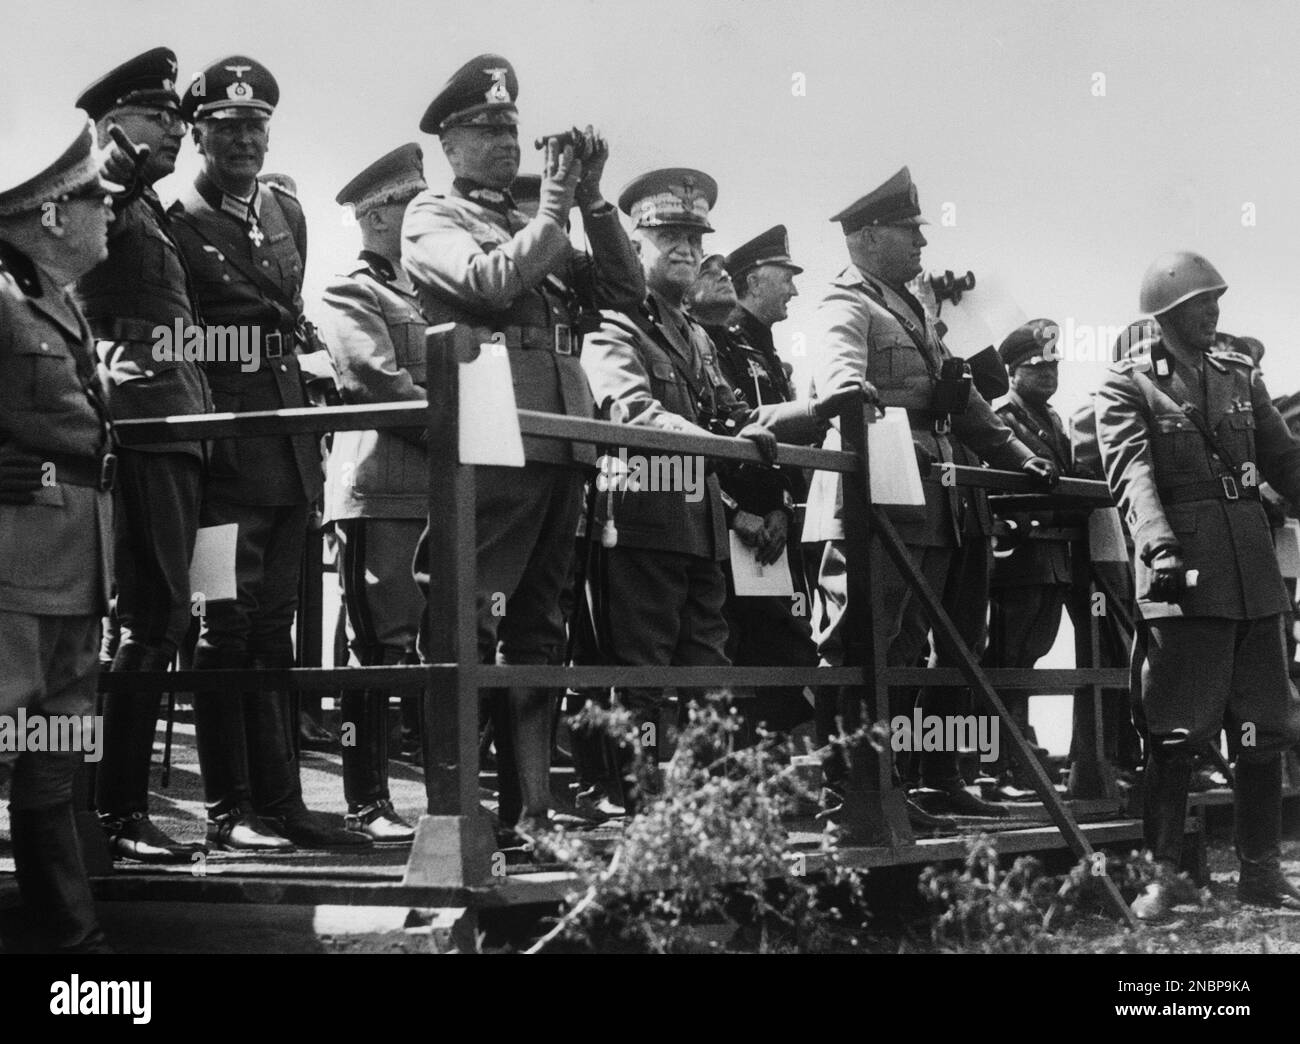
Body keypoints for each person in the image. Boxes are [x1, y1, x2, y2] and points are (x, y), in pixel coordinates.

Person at [403, 54, 643, 836]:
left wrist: (596, 201)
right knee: (469, 622)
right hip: (494, 438)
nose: (506, 142)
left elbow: (622, 293)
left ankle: (531, 815)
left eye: (511, 128)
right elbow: (489, 284)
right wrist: (556, 207)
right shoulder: (432, 216)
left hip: (559, 441)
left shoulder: (534, 218)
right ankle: (456, 819)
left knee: (540, 633)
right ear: (449, 142)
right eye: (486, 129)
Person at [803, 166, 1057, 821]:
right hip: (875, 498)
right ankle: (853, 785)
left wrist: (1022, 457)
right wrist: (855, 393)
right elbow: (839, 377)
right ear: (865, 237)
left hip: (928, 499)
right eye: (907, 231)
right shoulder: (846, 303)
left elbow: (969, 397)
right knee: (865, 640)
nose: (921, 244)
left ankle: (921, 779)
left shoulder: (917, 309)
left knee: (922, 644)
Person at [171, 55, 368, 851]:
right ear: (198, 136)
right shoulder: (174, 222)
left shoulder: (286, 210)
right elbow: (174, 339)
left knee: (274, 628)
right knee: (223, 628)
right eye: (227, 128)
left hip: (287, 452)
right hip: (221, 456)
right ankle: (230, 810)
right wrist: (260, 342)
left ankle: (282, 803)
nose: (245, 140)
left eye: (256, 126)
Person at [1096, 251, 1300, 918]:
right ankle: (1166, 880)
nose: (1213, 313)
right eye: (1199, 305)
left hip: (1254, 577)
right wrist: (1157, 548)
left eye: (1217, 301)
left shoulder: (1240, 372)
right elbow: (1132, 476)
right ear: (1167, 317)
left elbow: (1282, 457)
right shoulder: (1127, 386)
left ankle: (1261, 873)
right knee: (1177, 734)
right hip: (1185, 578)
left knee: (1262, 730)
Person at [72, 46, 211, 863]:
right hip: (140, 420)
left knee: (158, 618)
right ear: (111, 120)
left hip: (177, 421)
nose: (175, 130)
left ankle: (112, 807)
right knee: (144, 617)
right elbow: (64, 253)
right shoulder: (107, 189)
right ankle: (113, 809)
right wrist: (114, 170)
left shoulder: (151, 208)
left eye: (174, 119)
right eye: (157, 115)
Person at [0, 117, 120, 951]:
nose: (106, 211)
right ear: (49, 215)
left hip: (76, 567)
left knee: (54, 759)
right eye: (93, 199)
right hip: (14, 572)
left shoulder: (53, 303)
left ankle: (74, 955)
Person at [320, 143, 432, 845]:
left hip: (435, 492)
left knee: (433, 647)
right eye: (414, 206)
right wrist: (463, 424)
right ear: (381, 213)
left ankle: (436, 799)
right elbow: (376, 383)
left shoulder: (429, 294)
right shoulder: (352, 290)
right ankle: (365, 803)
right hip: (381, 492)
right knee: (378, 650)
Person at [684, 244, 824, 738]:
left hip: (766, 526)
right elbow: (693, 441)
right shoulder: (703, 344)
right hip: (716, 521)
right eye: (783, 276)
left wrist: (782, 508)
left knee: (784, 645)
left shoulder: (746, 348)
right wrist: (731, 512)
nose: (794, 288)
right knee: (723, 647)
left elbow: (770, 440)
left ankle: (769, 773)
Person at [982, 319, 1077, 796]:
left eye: (1053, 366)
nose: (1049, 374)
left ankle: (1016, 755)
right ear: (1014, 371)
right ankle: (994, 764)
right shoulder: (1002, 416)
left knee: (1030, 657)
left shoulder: (1052, 419)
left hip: (1051, 555)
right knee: (1005, 659)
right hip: (1017, 554)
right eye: (1037, 368)